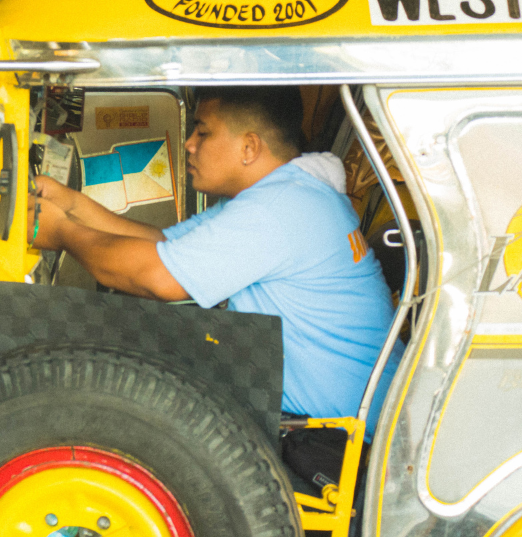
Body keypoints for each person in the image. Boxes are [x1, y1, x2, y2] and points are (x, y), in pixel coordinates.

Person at [31, 86, 402, 441]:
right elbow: (163, 245)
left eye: (202, 132)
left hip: (338, 441)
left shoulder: (280, 208)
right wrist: (71, 204)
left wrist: (61, 232)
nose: (189, 145)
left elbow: (159, 277)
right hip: (325, 420)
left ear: (249, 147)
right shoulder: (288, 194)